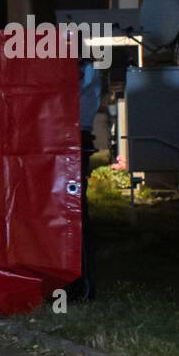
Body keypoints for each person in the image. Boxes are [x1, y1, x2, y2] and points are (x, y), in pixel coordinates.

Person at [72, 58, 102, 302]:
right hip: (75, 140)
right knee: (76, 213)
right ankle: (80, 284)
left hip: (75, 140)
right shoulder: (88, 74)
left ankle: (83, 285)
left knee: (76, 212)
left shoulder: (87, 76)